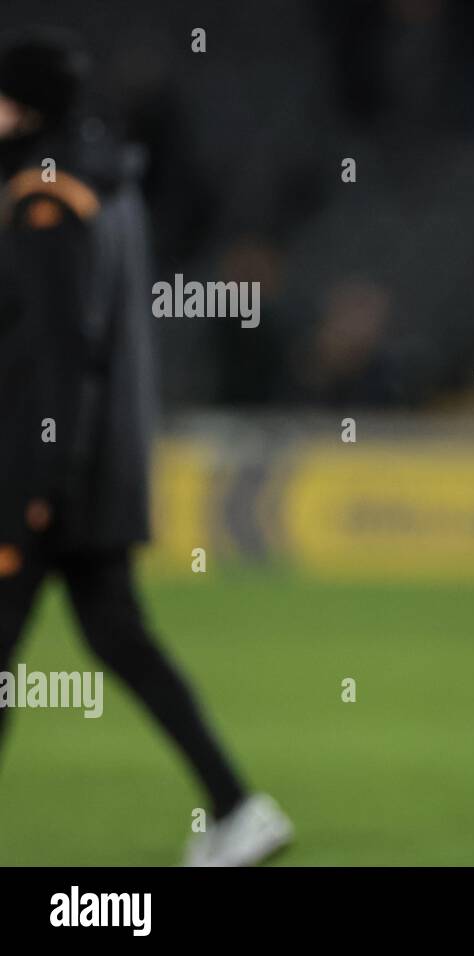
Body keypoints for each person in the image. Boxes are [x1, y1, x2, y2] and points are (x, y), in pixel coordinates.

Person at [0, 29, 292, 865]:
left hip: (50, 474)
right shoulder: (104, 182)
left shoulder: (45, 198)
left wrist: (33, 487)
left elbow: (55, 363)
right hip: (99, 469)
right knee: (120, 640)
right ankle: (239, 808)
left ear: (22, 105)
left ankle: (240, 808)